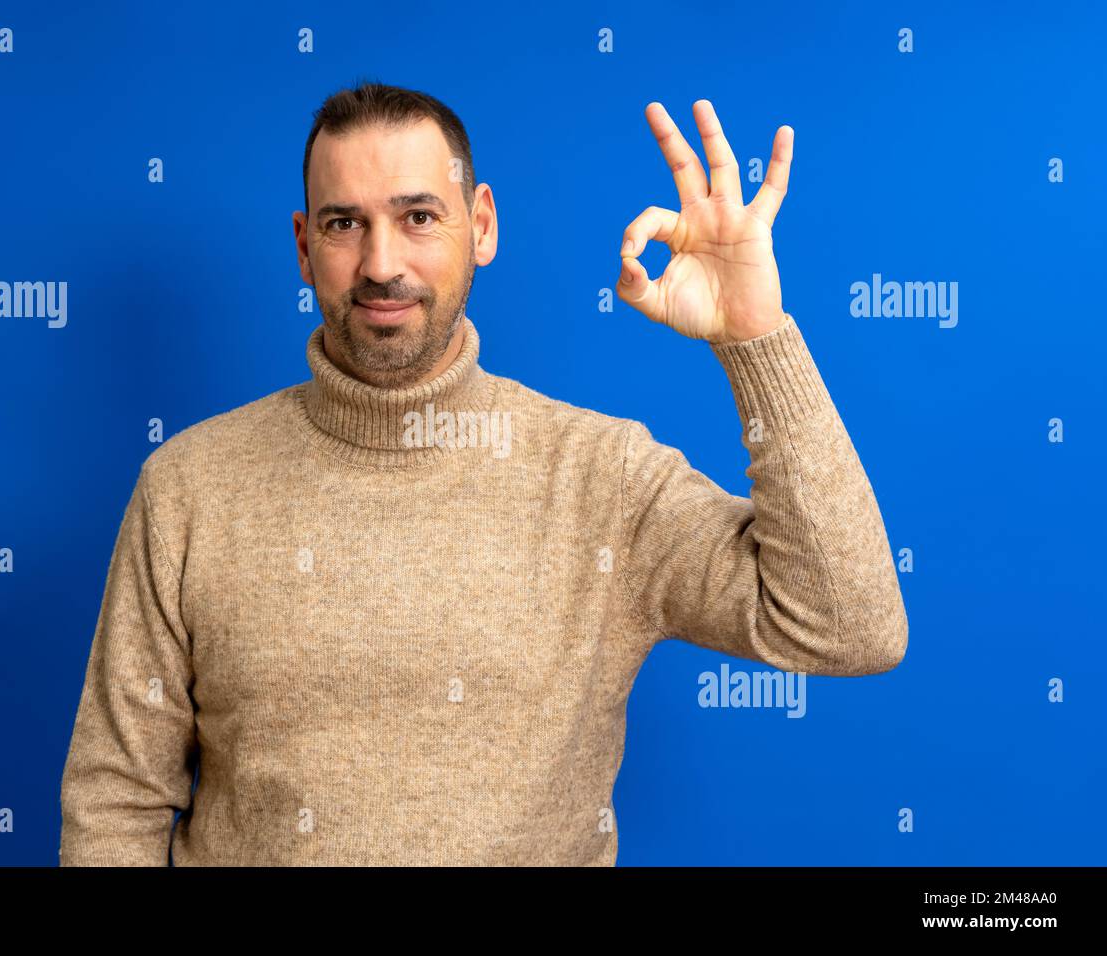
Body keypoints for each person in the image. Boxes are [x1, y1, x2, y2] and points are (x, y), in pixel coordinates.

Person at [59, 81, 907, 867]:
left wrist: (754, 336)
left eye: (420, 216)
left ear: (483, 225)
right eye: (344, 223)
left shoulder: (600, 475)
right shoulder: (189, 487)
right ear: (304, 245)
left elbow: (850, 625)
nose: (382, 262)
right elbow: (116, 802)